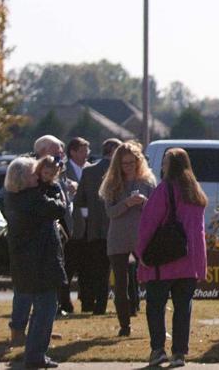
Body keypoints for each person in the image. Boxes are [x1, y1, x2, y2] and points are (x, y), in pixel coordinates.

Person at [137, 148, 208, 367]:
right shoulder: (196, 193)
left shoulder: (164, 190)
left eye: (165, 162)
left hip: (164, 262)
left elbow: (148, 224)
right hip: (188, 263)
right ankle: (179, 353)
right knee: (182, 308)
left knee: (156, 307)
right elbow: (200, 233)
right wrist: (201, 265)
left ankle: (158, 349)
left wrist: (140, 253)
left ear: (169, 165)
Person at [4, 155, 68, 369]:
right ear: (24, 177)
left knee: (41, 308)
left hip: (25, 263)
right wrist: (60, 192)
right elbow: (58, 209)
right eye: (34, 172)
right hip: (40, 264)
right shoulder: (33, 198)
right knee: (45, 310)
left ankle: (35, 353)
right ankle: (35, 355)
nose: (38, 174)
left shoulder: (12, 197)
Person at [99, 141, 156, 336]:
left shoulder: (147, 182)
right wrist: (127, 203)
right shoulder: (112, 183)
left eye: (132, 162)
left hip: (143, 237)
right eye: (125, 163)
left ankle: (154, 324)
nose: (129, 167)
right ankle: (125, 326)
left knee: (151, 282)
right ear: (118, 164)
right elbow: (110, 213)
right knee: (121, 285)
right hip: (119, 237)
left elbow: (157, 210)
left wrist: (144, 202)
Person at [74, 137, 119, 316]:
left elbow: (79, 200)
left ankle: (96, 305)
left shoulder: (89, 171)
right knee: (123, 269)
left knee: (97, 269)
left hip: (95, 228)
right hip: (117, 227)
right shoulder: (120, 171)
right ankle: (131, 304)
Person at [60, 137, 89, 314]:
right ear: (73, 152)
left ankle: (86, 299)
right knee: (68, 266)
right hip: (70, 226)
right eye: (82, 150)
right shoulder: (63, 169)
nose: (86, 154)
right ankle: (64, 301)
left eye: (87, 151)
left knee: (86, 266)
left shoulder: (90, 169)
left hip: (87, 225)